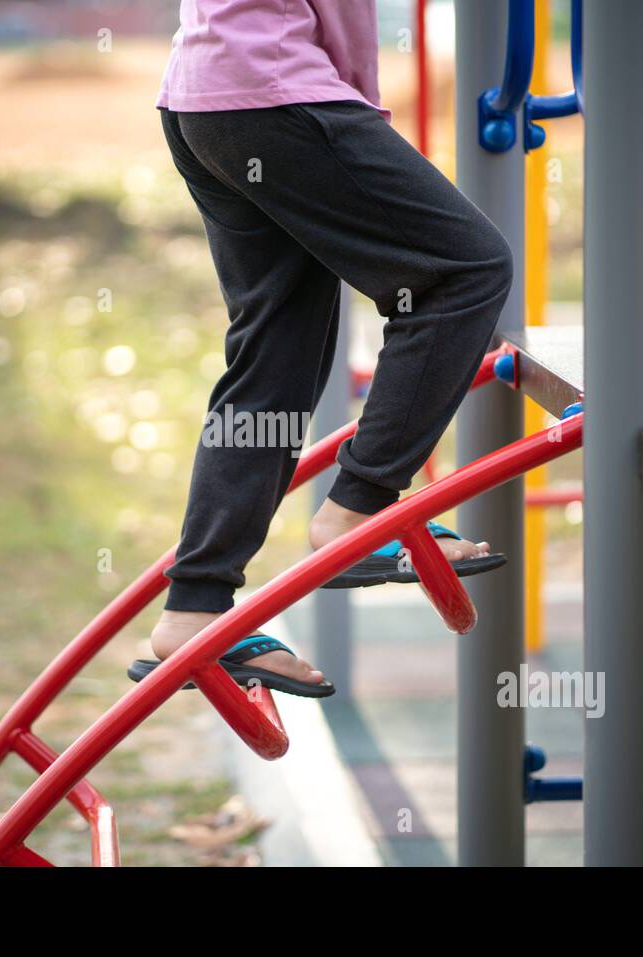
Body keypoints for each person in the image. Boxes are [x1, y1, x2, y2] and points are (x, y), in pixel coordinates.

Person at [130, 0, 513, 697]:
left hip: (200, 97)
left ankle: (196, 604)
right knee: (464, 271)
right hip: (276, 89)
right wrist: (357, 112)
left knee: (274, 353)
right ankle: (360, 508)